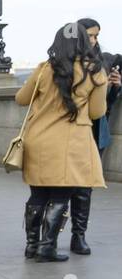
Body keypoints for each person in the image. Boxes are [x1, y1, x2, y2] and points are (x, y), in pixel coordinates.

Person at [15, 18, 110, 263]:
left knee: (37, 195)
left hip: (39, 139)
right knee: (60, 197)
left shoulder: (45, 68)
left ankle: (31, 246)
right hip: (72, 143)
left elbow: (21, 99)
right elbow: (97, 112)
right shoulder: (95, 71)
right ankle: (47, 247)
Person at [76, 50, 122, 254]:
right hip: (71, 129)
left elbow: (105, 107)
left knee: (86, 186)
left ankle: (78, 235)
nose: (93, 39)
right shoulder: (71, 63)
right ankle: (48, 238)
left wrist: (114, 87)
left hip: (96, 131)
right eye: (90, 35)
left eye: (96, 35)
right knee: (60, 185)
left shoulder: (108, 60)